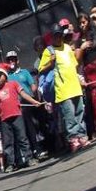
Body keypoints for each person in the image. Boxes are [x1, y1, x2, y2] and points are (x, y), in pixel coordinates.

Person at [38, 23, 89, 152]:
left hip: (75, 86)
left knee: (79, 112)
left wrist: (80, 80)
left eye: (60, 35)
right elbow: (40, 69)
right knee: (69, 115)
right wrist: (51, 62)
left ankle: (82, 136)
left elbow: (74, 66)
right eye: (56, 36)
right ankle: (73, 139)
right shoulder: (49, 51)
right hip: (63, 89)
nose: (58, 38)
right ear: (52, 37)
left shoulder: (67, 47)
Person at [0, 63, 42, 171]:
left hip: (17, 115)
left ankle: (29, 158)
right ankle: (11, 163)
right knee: (8, 142)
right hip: (4, 119)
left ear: (5, 75)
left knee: (22, 138)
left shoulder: (13, 84)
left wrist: (34, 101)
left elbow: (24, 94)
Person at [5, 50, 47, 160]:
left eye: (13, 59)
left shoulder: (24, 72)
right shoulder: (7, 77)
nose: (11, 61)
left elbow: (32, 85)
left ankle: (39, 148)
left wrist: (33, 94)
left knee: (34, 125)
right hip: (17, 106)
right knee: (24, 129)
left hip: (29, 102)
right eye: (9, 60)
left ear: (17, 61)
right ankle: (32, 151)